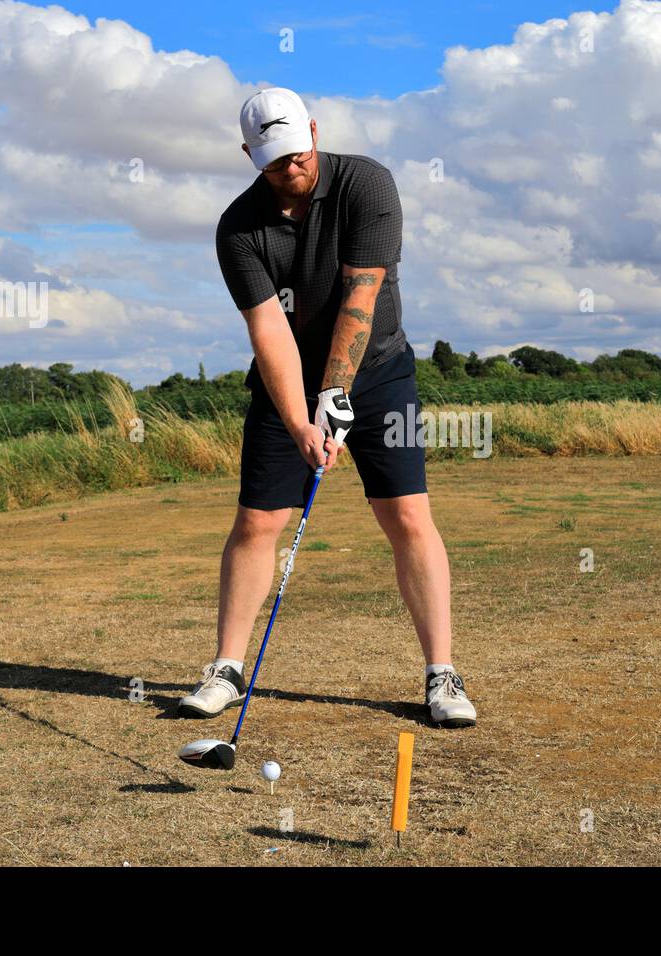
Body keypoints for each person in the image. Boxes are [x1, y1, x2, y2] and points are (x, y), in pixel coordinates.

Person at [179, 87, 476, 728]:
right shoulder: (239, 229)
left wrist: (335, 397)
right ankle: (227, 668)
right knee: (258, 525)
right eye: (274, 160)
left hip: (380, 374)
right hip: (286, 385)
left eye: (297, 152)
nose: (291, 168)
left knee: (406, 516)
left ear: (314, 131)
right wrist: (300, 421)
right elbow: (270, 334)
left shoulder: (367, 184)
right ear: (250, 156)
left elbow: (359, 300)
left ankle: (441, 673)